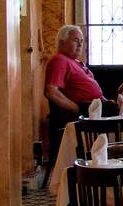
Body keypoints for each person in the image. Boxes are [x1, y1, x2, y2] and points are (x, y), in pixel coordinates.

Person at [44, 25, 109, 169]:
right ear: (61, 42)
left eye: (82, 40)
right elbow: (51, 91)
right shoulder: (60, 61)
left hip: (95, 109)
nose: (80, 44)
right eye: (75, 40)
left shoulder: (76, 62)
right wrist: (77, 108)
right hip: (83, 114)